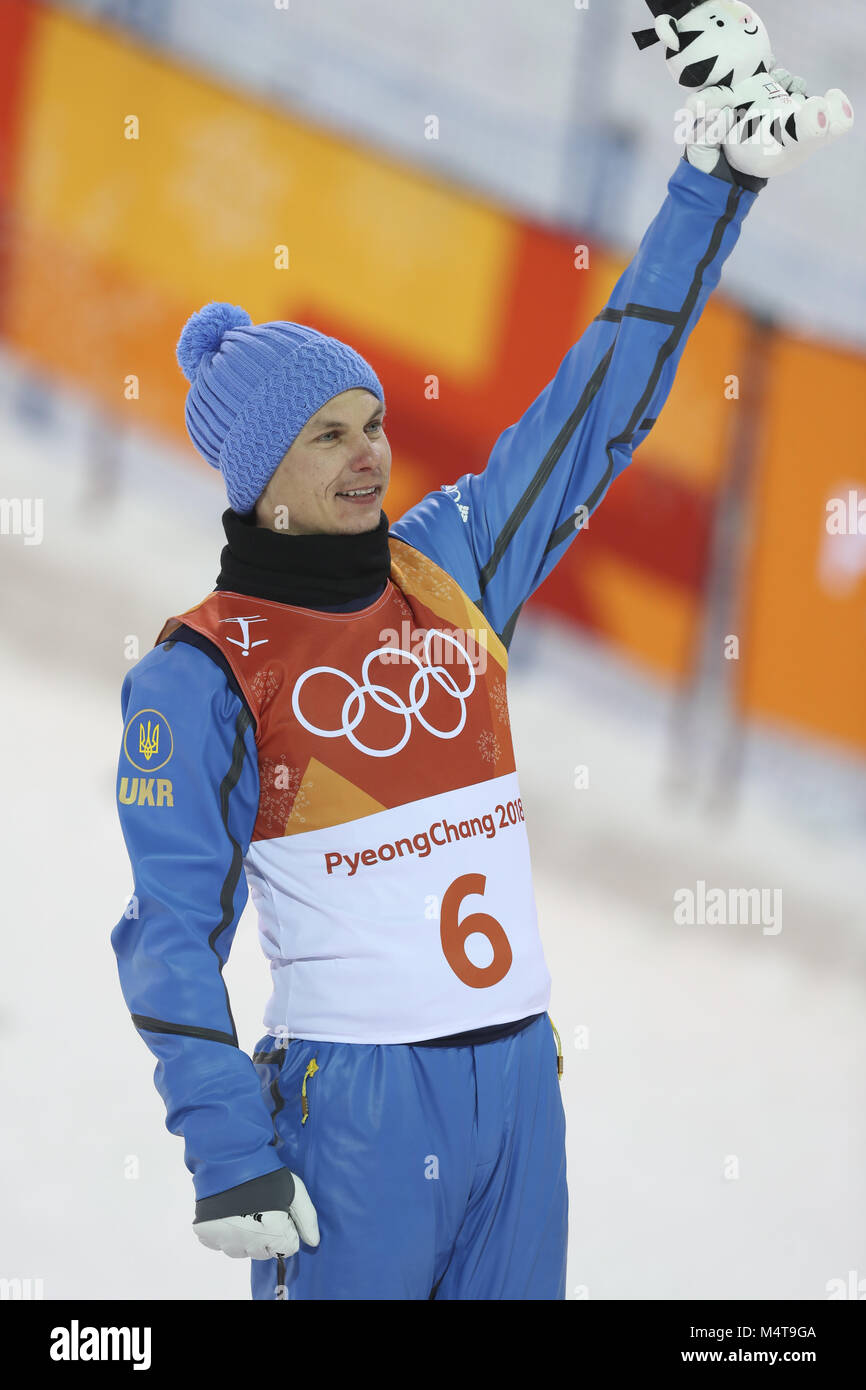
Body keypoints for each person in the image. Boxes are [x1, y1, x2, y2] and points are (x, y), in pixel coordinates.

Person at [111, 107, 766, 1299]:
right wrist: (225, 1151)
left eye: (372, 423)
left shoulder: (447, 566)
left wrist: (712, 183)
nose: (370, 455)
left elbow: (595, 404)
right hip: (354, 1111)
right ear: (263, 487)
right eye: (328, 437)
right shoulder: (201, 669)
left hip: (515, 1092)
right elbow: (167, 935)